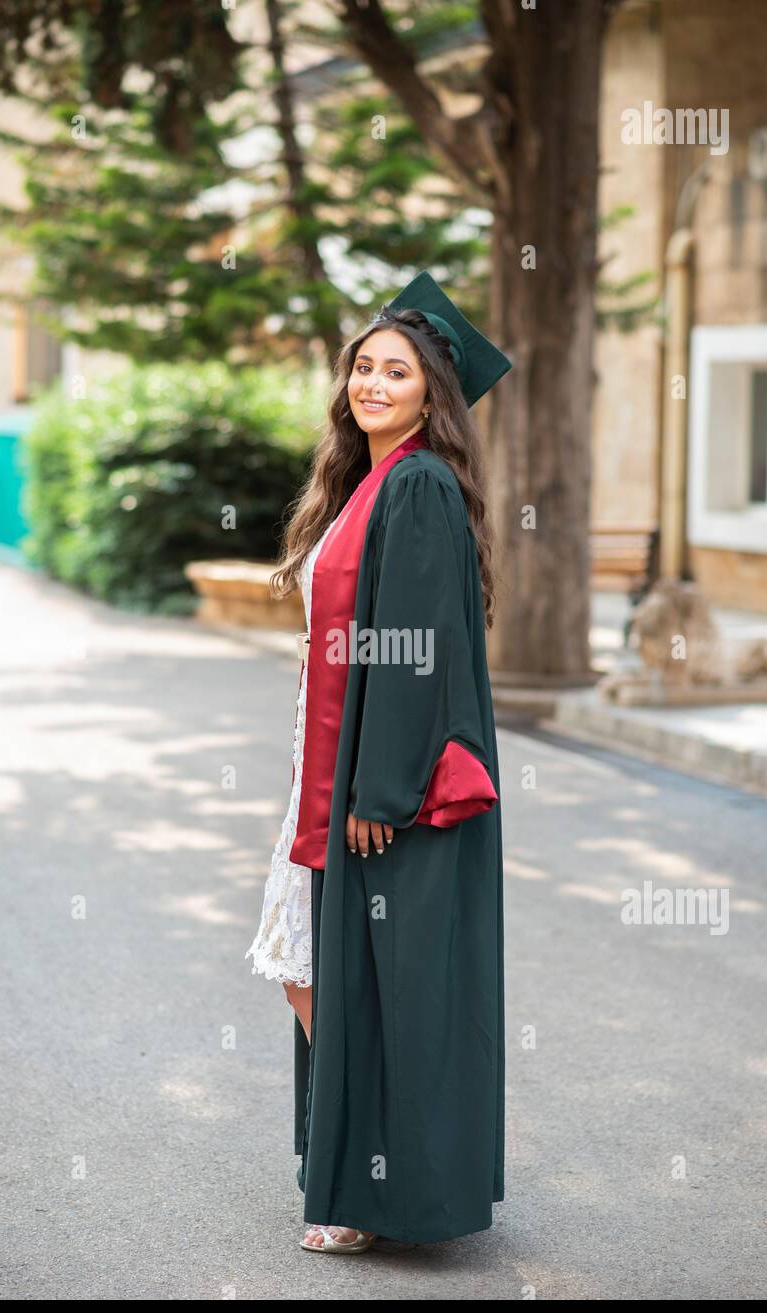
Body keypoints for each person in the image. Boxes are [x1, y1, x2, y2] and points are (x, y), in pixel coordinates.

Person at [245, 270, 511, 1253]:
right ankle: (361, 1173)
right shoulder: (373, 483)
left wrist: (382, 788)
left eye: (396, 370)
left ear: (432, 393)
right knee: (326, 971)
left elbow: (417, 645)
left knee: (368, 979)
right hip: (334, 774)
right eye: (363, 365)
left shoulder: (421, 486)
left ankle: (374, 1189)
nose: (372, 382)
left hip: (379, 791)